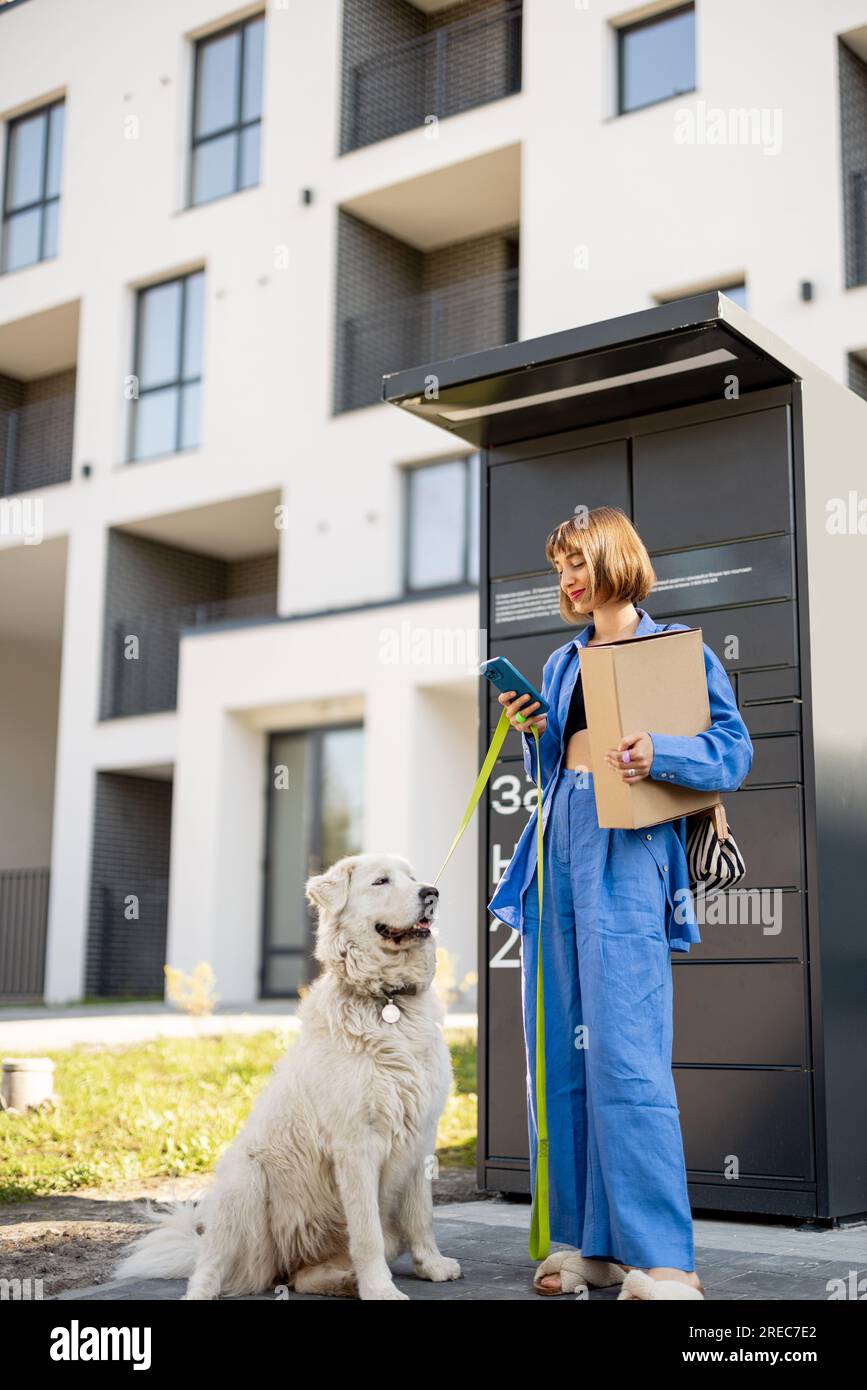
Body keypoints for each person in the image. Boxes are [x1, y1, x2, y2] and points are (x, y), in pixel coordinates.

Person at [487, 505, 753, 1301]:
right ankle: (584, 1245)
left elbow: (731, 750)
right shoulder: (564, 660)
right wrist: (531, 727)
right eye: (558, 566)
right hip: (554, 842)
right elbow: (556, 763)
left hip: (627, 850)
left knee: (628, 1053)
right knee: (559, 1057)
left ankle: (664, 1260)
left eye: (577, 562)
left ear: (613, 562)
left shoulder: (674, 650)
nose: (566, 579)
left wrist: (657, 751)